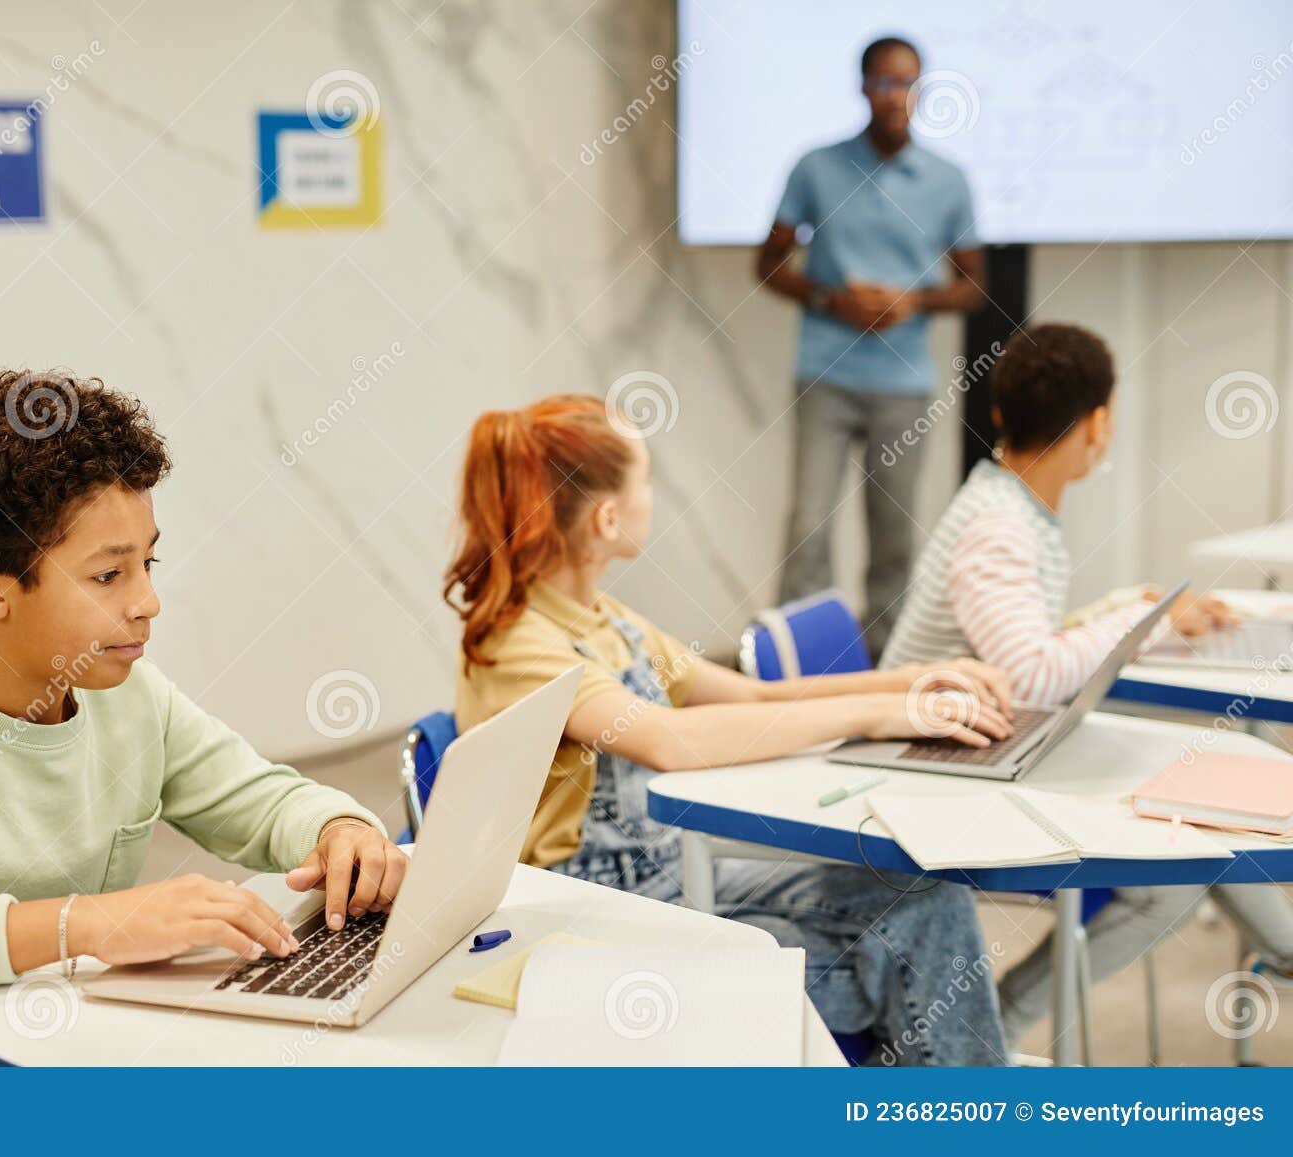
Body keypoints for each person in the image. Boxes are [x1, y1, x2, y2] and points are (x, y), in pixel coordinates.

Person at [0, 370, 408, 1066]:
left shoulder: (131, 700)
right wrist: (79, 924)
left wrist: (338, 829)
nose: (148, 602)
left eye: (149, 561)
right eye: (108, 575)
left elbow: (263, 800)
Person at [446, 393, 1015, 1065]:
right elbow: (667, 739)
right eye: (646, 481)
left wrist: (909, 682)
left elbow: (753, 693)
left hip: (674, 866)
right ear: (606, 517)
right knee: (895, 942)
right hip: (596, 905)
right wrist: (876, 714)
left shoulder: (606, 617)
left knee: (918, 897)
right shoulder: (520, 643)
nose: (653, 497)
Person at [880, 322, 1293, 1047]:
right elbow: (1031, 671)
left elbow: (1027, 636)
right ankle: (997, 1022)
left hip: (984, 741)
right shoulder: (999, 525)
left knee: (1188, 801)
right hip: (937, 769)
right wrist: (1143, 620)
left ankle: (1286, 950)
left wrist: (1136, 611)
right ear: (1099, 423)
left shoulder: (1008, 502)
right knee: (1168, 874)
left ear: (1001, 412)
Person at [758, 35, 985, 657]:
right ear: (863, 87)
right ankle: (797, 662)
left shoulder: (948, 181)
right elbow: (768, 263)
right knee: (808, 528)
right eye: (884, 83)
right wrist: (832, 299)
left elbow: (973, 286)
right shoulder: (816, 167)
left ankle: (886, 664)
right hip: (825, 374)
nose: (895, 97)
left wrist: (914, 301)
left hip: (903, 383)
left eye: (908, 84)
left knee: (893, 537)